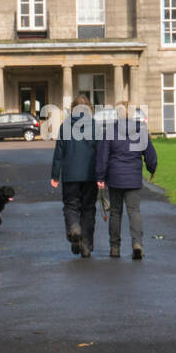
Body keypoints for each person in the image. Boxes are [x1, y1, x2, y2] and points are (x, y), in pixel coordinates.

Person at [96, 102, 158, 260]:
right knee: (134, 211)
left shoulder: (110, 130)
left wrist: (100, 177)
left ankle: (114, 247)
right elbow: (150, 155)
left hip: (115, 178)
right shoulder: (140, 130)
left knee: (115, 213)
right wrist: (152, 169)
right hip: (133, 177)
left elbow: (103, 156)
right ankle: (137, 244)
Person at [49, 95, 98, 258]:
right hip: (90, 174)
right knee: (88, 209)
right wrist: (103, 175)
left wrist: (55, 175)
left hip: (70, 175)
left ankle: (74, 227)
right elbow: (101, 153)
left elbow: (59, 153)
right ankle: (86, 244)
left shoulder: (65, 126)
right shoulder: (95, 126)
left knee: (71, 206)